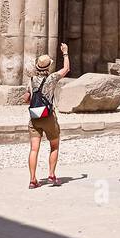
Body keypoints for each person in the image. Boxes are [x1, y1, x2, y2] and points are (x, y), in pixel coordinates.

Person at [23, 43, 69, 188]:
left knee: (34, 149)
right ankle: (51, 175)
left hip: (35, 117)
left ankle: (32, 180)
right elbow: (66, 69)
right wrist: (65, 53)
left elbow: (26, 99)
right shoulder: (52, 79)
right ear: (48, 67)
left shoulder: (31, 80)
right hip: (48, 116)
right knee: (54, 146)